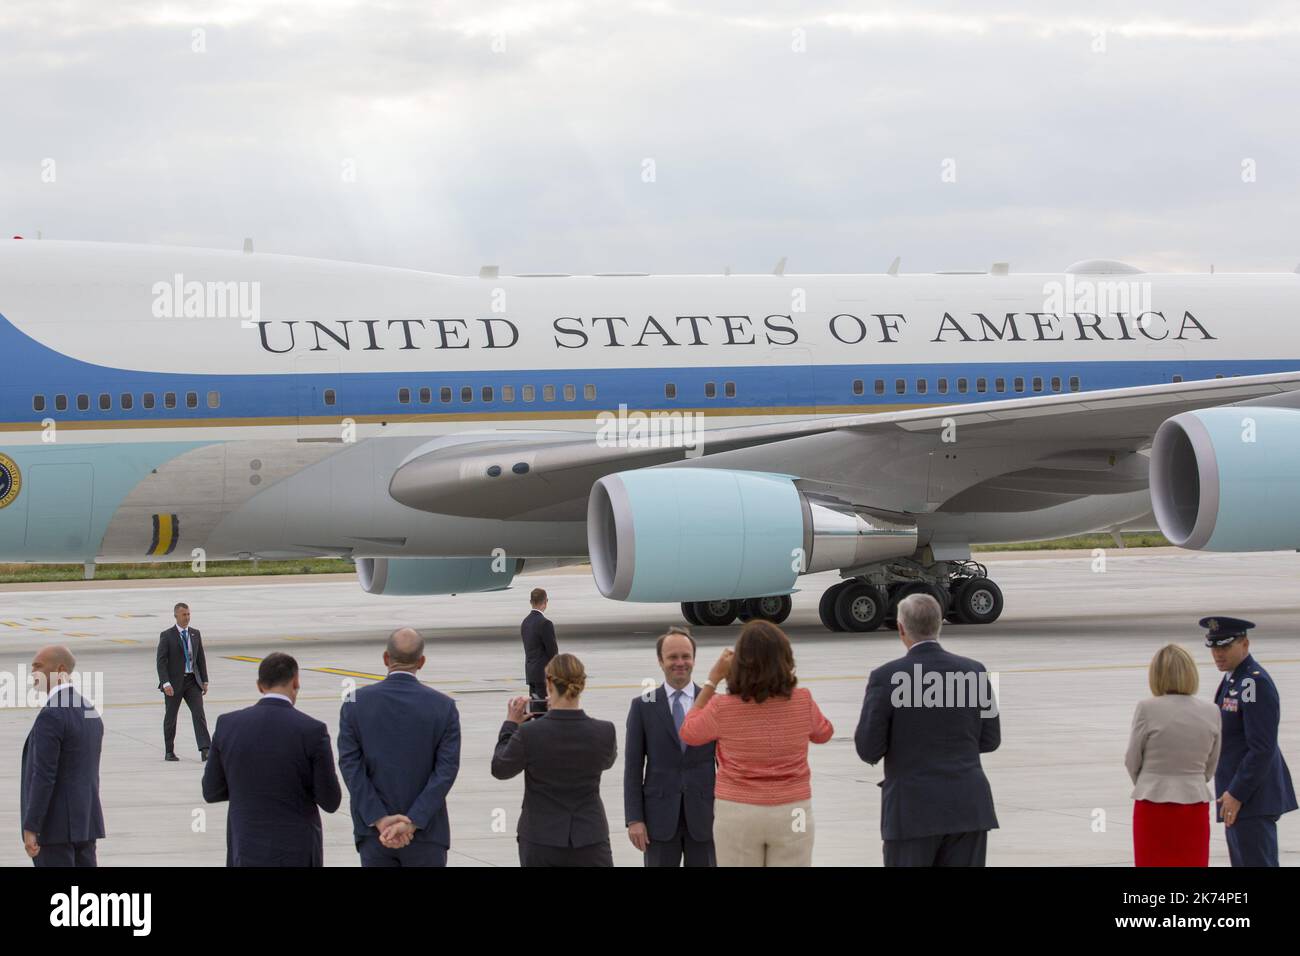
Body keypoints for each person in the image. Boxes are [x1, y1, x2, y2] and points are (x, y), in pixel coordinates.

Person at [854, 593, 1000, 866]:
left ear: (900, 629)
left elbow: (868, 748)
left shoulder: (885, 677)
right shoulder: (974, 671)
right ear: (939, 624)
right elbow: (991, 739)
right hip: (968, 805)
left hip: (912, 809)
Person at [679, 620, 833, 867]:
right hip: (793, 809)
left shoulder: (723, 707)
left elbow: (689, 732)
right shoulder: (802, 701)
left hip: (738, 811)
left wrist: (711, 681)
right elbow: (824, 733)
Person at [201, 652, 342, 866]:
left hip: (247, 850)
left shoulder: (228, 725)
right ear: (296, 681)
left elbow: (211, 791)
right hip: (297, 853)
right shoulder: (312, 730)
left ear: (259, 686)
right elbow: (330, 801)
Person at [338, 627, 461, 867]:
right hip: (426, 834)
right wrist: (413, 821)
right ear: (422, 662)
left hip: (375, 836)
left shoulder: (354, 703)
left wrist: (379, 818)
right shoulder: (443, 706)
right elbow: (446, 771)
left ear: (386, 658)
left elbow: (350, 766)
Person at [491, 653, 617, 866]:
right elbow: (607, 761)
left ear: (549, 683)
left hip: (541, 838)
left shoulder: (530, 734)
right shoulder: (604, 731)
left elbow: (500, 768)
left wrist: (510, 725)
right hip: (589, 837)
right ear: (582, 684)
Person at [1203, 616, 1298, 866]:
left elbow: (1262, 748)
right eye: (1214, 647)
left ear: (1244, 644)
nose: (1218, 654)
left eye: (1225, 647)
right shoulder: (1234, 680)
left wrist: (1237, 792)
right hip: (1237, 798)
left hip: (1250, 798)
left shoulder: (1253, 682)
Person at [624, 626, 717, 867]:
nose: (680, 663)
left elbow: (729, 764)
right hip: (659, 819)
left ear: (694, 659)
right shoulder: (643, 706)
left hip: (706, 817)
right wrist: (634, 818)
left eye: (686, 656)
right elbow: (633, 768)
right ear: (660, 661)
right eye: (672, 657)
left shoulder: (714, 704)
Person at [1125, 643, 1221, 866]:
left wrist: (1148, 781)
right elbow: (1211, 763)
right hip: (1194, 801)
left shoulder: (1147, 709)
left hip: (1152, 801)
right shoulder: (1211, 711)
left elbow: (1132, 759)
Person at [20, 645, 104, 867]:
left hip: (55, 830)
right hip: (85, 824)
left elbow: (44, 776)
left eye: (38, 666)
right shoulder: (90, 710)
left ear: (60, 669)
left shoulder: (51, 715)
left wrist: (31, 826)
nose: (33, 673)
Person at [156, 601, 210, 762]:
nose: (187, 617)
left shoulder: (195, 633)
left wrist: (205, 680)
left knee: (199, 713)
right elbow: (161, 661)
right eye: (184, 615)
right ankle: (169, 751)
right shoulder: (167, 635)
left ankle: (205, 749)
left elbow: (200, 658)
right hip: (174, 683)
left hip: (193, 681)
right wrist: (165, 683)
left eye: (188, 614)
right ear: (176, 616)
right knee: (171, 717)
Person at [521, 588, 558, 704]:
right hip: (544, 676)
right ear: (546, 602)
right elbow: (553, 652)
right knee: (544, 709)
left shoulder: (525, 622)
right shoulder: (545, 623)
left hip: (531, 674)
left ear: (531, 602)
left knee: (536, 709)